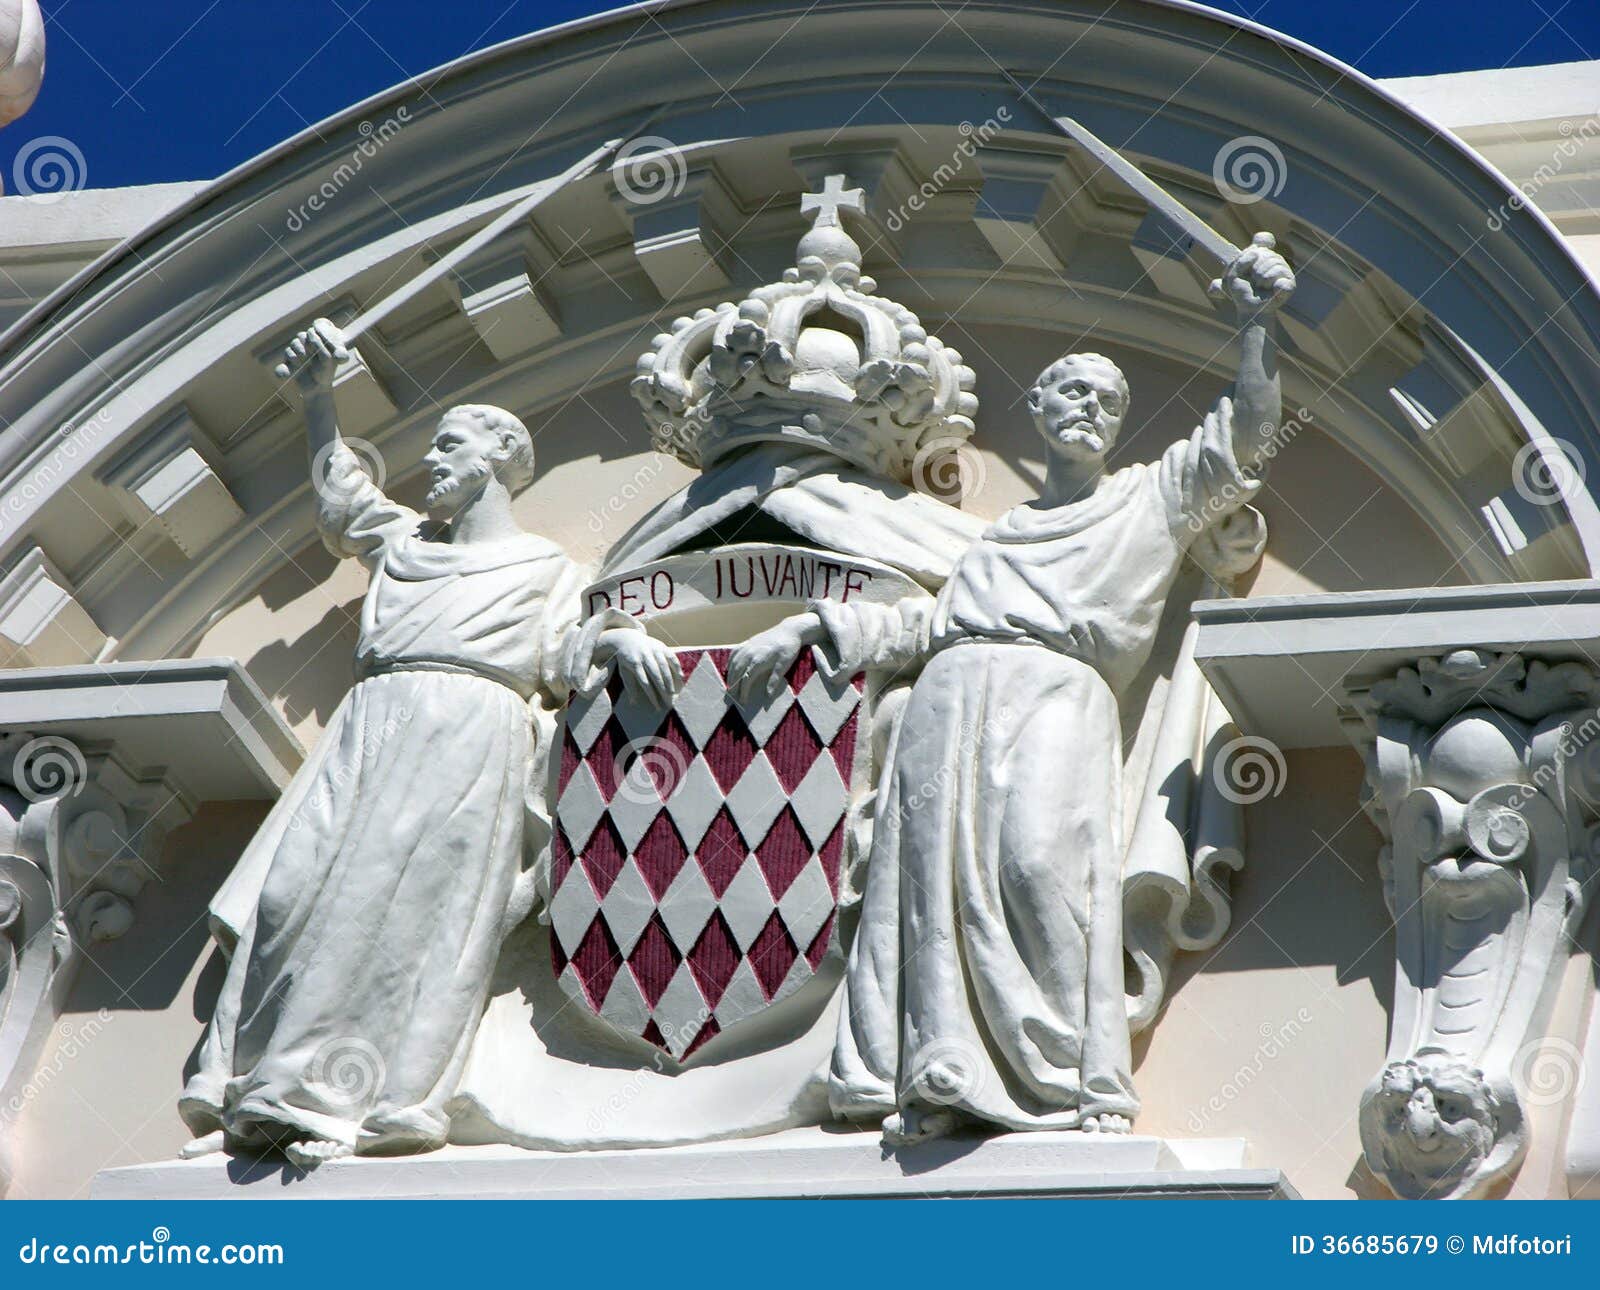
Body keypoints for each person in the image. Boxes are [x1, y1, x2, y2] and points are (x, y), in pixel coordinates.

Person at [726, 234, 1296, 1143]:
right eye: (1072, 391)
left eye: (1107, 400)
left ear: (1118, 423)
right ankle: (937, 1064)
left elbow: (1242, 437)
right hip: (948, 702)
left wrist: (1259, 324)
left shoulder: (1147, 502)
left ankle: (1073, 1077)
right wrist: (814, 625)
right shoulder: (993, 540)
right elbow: (928, 626)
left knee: (1040, 866)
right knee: (923, 892)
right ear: (1037, 407)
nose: (1089, 409)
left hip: (1056, 694)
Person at [178, 319, 671, 1165]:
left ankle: (348, 1099)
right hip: (371, 728)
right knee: (294, 897)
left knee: (408, 918)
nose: (430, 462)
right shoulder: (404, 544)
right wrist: (317, 396)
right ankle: (255, 1082)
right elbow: (343, 499)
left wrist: (620, 637)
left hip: (468, 738)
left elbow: (566, 654)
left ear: (493, 460)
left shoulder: (544, 568)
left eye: (447, 446)